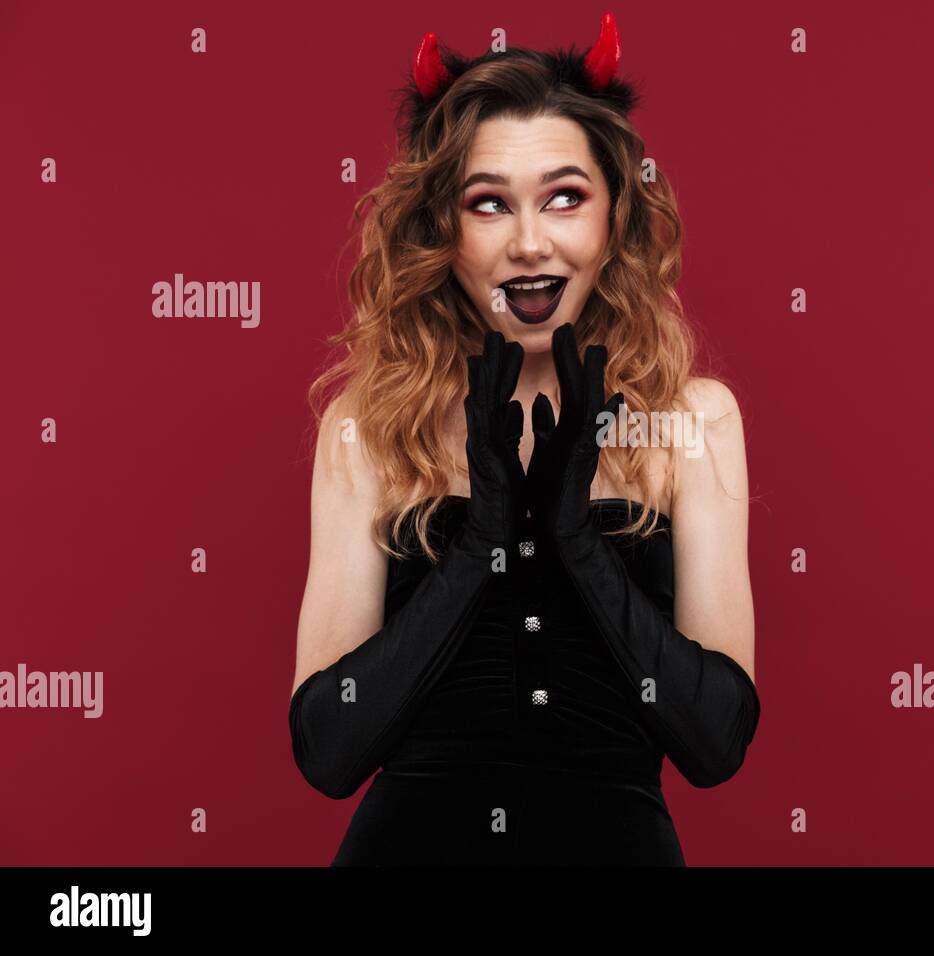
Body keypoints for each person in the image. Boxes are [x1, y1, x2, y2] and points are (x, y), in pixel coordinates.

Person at [288, 14, 760, 866]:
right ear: (444, 231)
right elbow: (329, 752)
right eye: (489, 203)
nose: (530, 242)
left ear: (616, 214)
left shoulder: (698, 422)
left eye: (565, 196)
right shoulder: (366, 429)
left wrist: (573, 534)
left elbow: (716, 743)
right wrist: (485, 536)